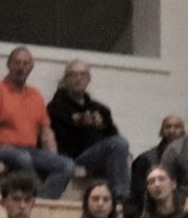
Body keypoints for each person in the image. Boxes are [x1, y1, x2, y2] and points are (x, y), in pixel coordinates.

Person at [0, 47, 71, 199]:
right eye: (17, 62)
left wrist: (52, 158)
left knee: (66, 166)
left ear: (31, 67)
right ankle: (34, 195)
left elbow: (46, 132)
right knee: (23, 159)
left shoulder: (36, 95)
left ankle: (41, 202)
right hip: (4, 149)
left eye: (25, 63)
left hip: (31, 151)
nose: (21, 67)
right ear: (9, 65)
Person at [46, 59, 131, 201]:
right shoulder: (56, 107)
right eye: (73, 75)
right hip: (73, 159)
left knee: (122, 147)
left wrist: (101, 125)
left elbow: (113, 135)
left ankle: (121, 198)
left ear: (89, 79)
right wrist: (81, 124)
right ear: (66, 79)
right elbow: (59, 141)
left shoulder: (100, 109)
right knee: (119, 145)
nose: (78, 79)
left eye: (83, 75)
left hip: (100, 157)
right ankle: (120, 197)